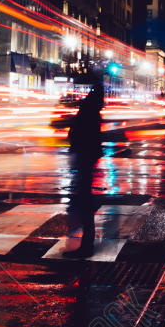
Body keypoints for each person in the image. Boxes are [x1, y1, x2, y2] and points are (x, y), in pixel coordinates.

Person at [66, 75, 105, 256]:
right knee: (83, 200)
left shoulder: (88, 111)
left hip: (83, 156)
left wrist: (75, 143)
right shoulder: (95, 111)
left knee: (83, 201)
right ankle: (86, 243)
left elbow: (80, 133)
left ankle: (86, 246)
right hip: (86, 157)